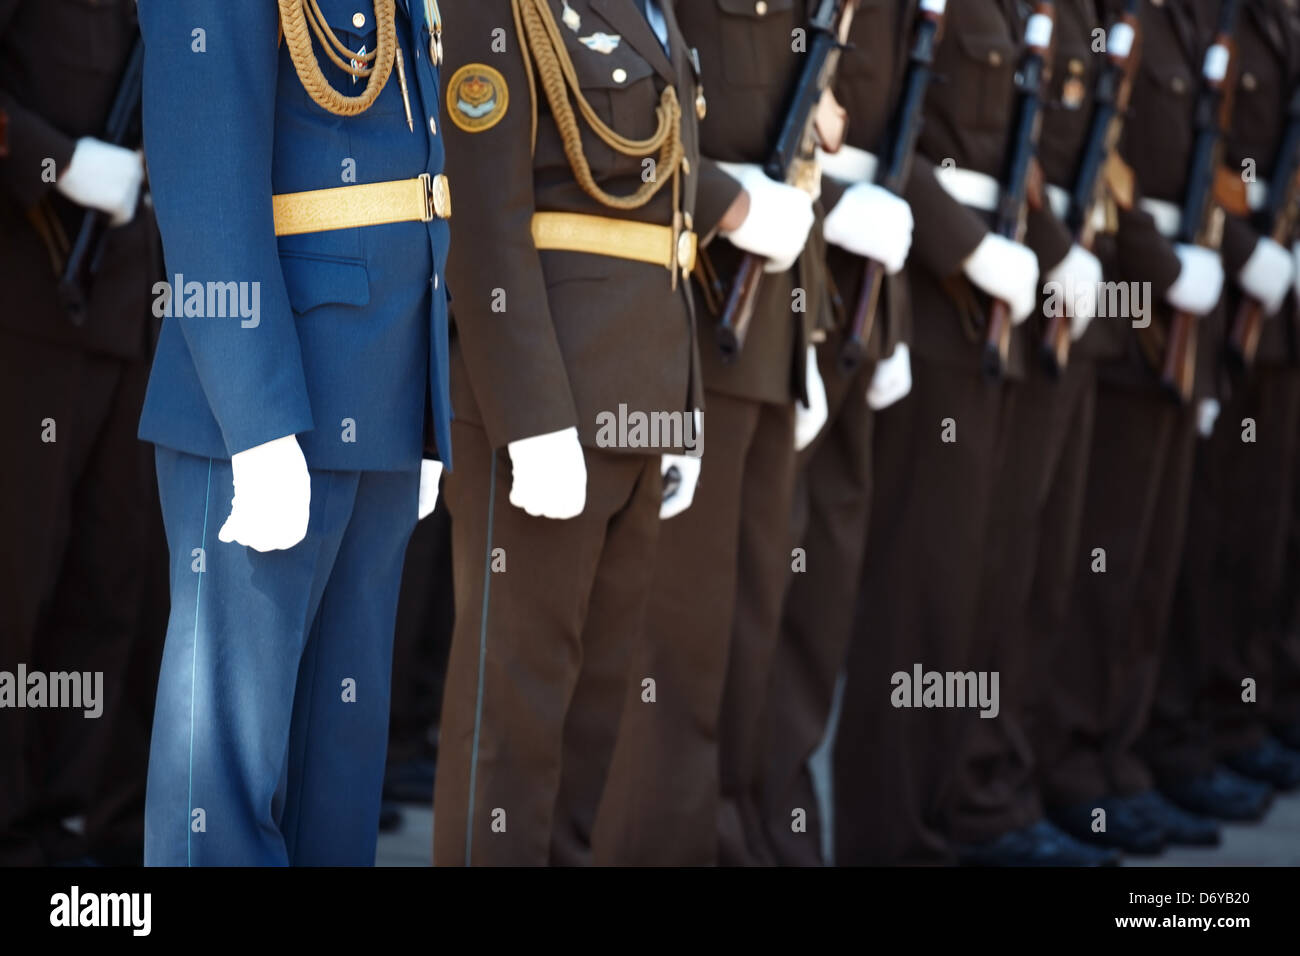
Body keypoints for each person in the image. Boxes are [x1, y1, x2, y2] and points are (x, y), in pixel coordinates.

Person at [136, 0, 452, 866]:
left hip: (380, 387)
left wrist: (425, 398)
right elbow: (206, 179)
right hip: (273, 397)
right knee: (227, 782)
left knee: (338, 775)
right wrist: (258, 425)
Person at [432, 0, 733, 866]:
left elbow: (669, 219)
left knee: (593, 717)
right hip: (551, 397)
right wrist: (530, 422)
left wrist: (683, 409)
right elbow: (484, 223)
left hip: (641, 395)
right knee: (513, 714)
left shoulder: (655, 10)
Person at [832, 0, 1072, 866]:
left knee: (960, 592)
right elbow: (888, 128)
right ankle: (885, 837)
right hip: (932, 305)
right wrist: (966, 249)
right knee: (912, 599)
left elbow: (1015, 158)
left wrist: (1041, 246)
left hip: (988, 315)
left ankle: (932, 823)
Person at [1035, 0, 1262, 855]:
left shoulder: (1193, 20)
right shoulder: (1116, 19)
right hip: (1127, 305)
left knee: (1146, 571)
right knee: (1101, 568)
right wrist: (1163, 269)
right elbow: (1105, 159)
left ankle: (1115, 760)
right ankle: (1072, 767)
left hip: (1175, 300)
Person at [0, 0, 167, 866]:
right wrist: (56, 162)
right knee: (16, 591)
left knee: (110, 587)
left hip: (137, 315)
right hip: (29, 310)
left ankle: (69, 824)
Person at [758, 0, 921, 867]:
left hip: (855, 297)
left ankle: (783, 830)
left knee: (818, 595)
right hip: (774, 281)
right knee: (750, 601)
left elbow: (901, 141)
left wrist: (888, 321)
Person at [1139, 0, 1300, 804]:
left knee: (1257, 536)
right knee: (1202, 539)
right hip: (1213, 303)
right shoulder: (1213, 20)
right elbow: (1206, 166)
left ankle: (1239, 715)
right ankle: (1178, 730)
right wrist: (1247, 252)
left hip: (1270, 316)